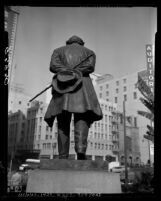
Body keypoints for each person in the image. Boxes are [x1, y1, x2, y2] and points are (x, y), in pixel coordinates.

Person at [44, 35, 103, 160]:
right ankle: (81, 151)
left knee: (62, 122)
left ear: (68, 42)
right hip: (82, 88)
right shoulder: (89, 52)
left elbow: (54, 66)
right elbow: (89, 67)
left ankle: (63, 155)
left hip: (63, 86)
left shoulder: (58, 50)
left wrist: (66, 71)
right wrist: (75, 72)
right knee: (82, 119)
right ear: (81, 43)